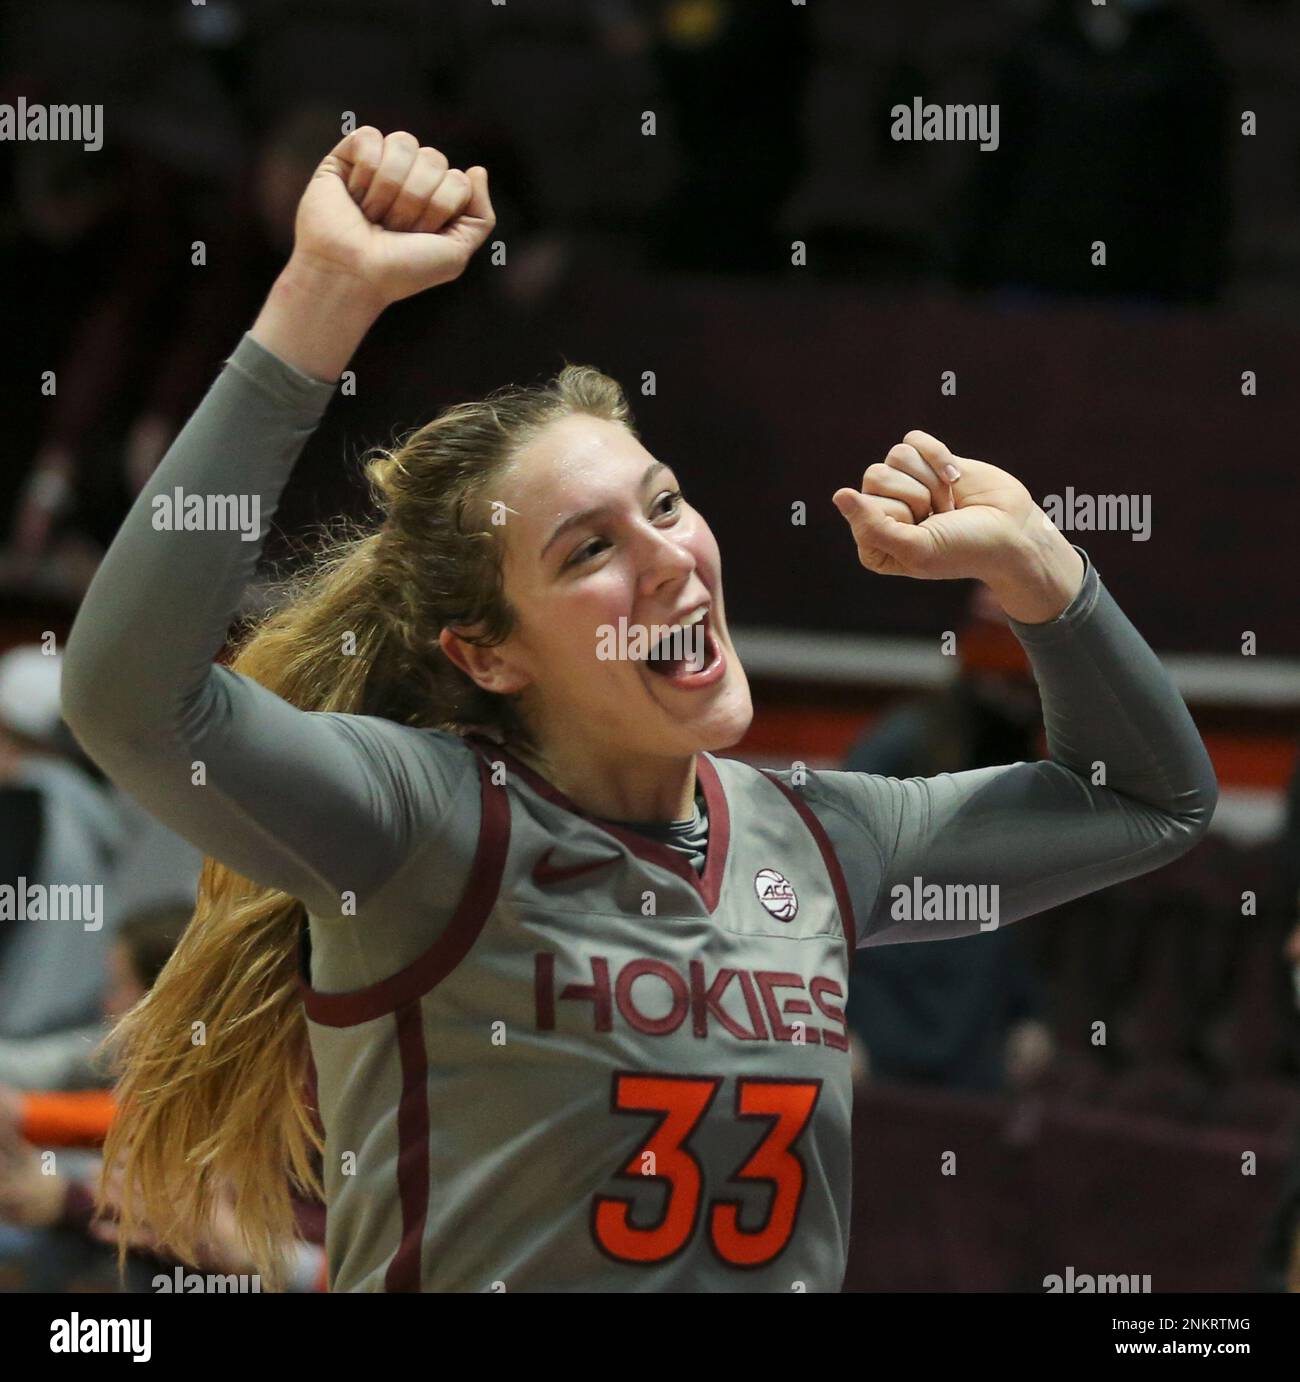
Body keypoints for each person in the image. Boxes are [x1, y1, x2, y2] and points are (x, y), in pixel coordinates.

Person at [60, 127, 1217, 1292]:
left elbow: (1151, 801)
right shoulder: (428, 821)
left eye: (665, 503)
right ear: (487, 652)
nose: (669, 558)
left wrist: (1042, 576)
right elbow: (133, 700)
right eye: (589, 549)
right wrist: (321, 296)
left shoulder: (820, 840)